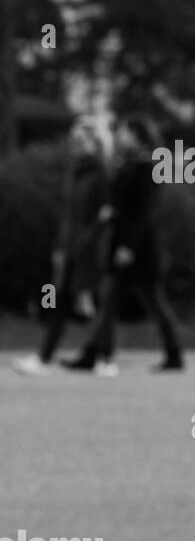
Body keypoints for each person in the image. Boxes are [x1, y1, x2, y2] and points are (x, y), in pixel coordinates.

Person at [63, 114, 184, 376]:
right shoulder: (129, 166)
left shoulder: (148, 167)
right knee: (109, 300)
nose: (120, 136)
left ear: (138, 135)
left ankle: (173, 352)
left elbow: (142, 213)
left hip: (138, 249)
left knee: (151, 302)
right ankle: (93, 353)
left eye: (126, 131)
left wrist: (127, 247)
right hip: (124, 245)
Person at [12, 117, 113, 377]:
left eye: (80, 141)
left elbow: (105, 214)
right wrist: (59, 246)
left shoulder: (101, 175)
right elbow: (68, 216)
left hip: (90, 252)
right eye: (73, 141)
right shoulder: (75, 173)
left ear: (95, 142)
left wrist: (89, 242)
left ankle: (104, 357)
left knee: (96, 306)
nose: (75, 146)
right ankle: (45, 356)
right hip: (70, 249)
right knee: (59, 303)